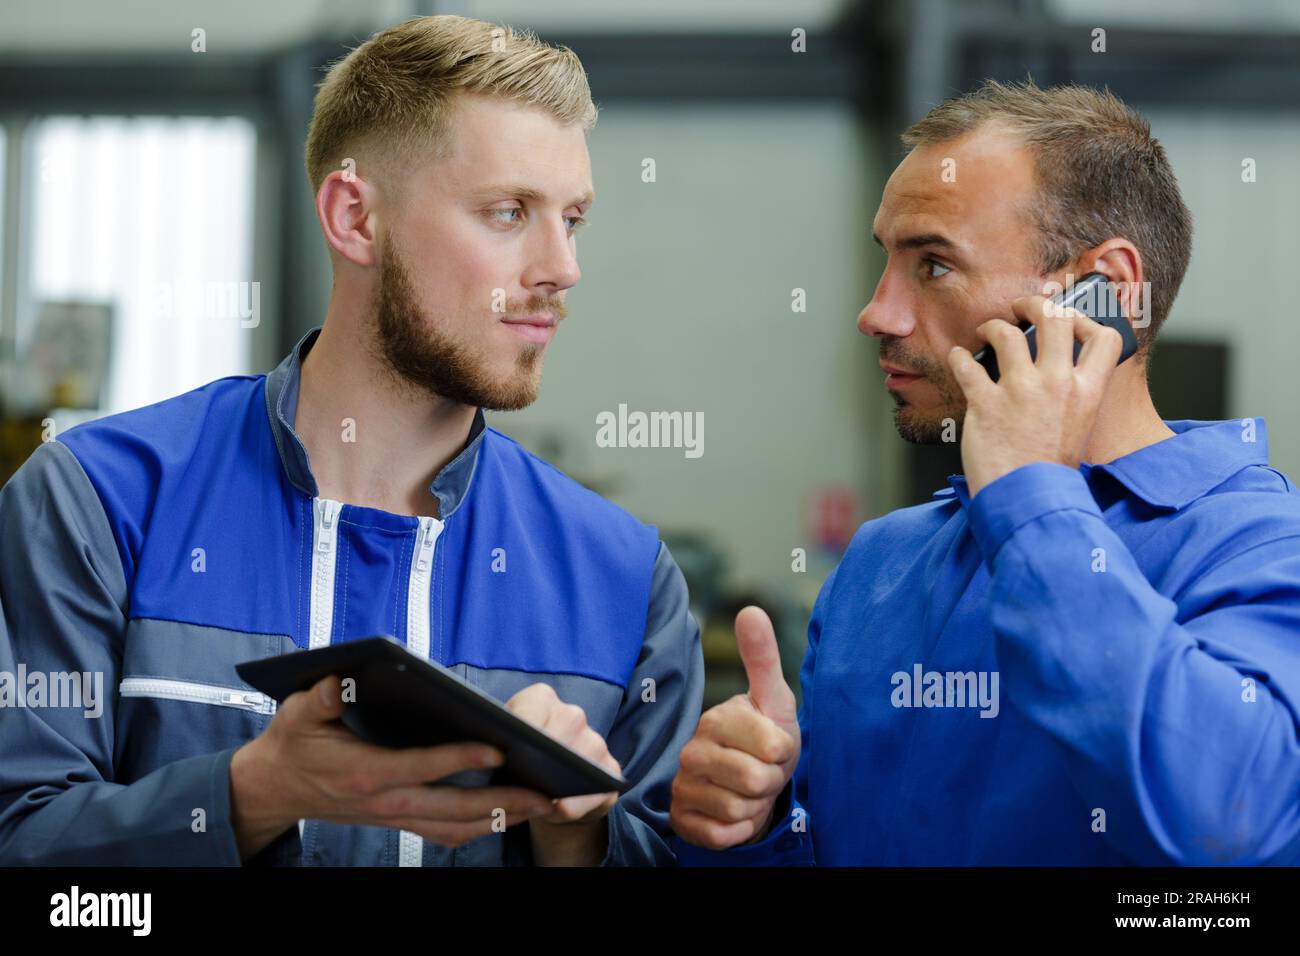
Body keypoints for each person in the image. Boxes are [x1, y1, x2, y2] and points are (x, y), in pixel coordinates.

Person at [0, 15, 702, 867]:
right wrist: (254, 794)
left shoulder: (626, 580)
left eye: (574, 219)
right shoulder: (93, 505)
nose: (562, 267)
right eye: (510, 211)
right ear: (355, 218)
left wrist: (576, 838)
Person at [669, 79, 1300, 865]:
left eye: (933, 266)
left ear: (1107, 287)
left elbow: (1233, 826)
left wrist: (1031, 493)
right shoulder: (879, 563)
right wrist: (754, 827)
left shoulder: (1261, 549)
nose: (877, 314)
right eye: (887, 264)